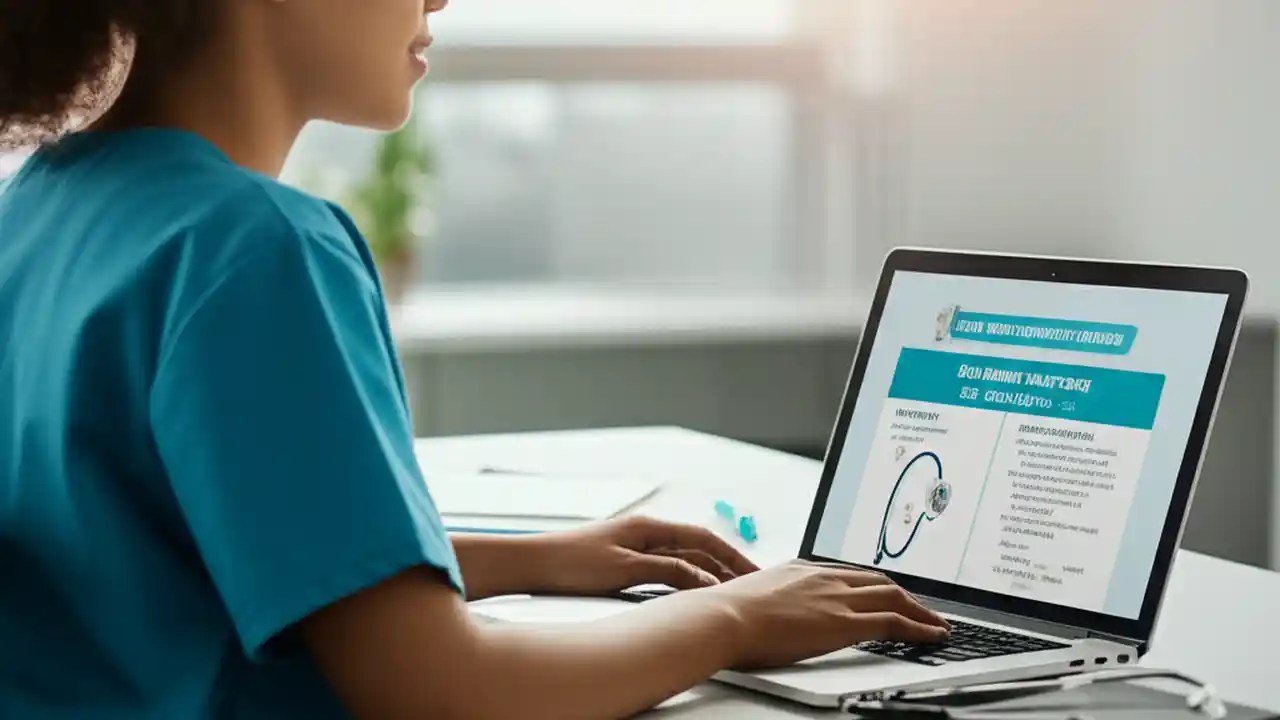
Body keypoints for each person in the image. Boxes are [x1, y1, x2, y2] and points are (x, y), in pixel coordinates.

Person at [0, 1, 950, 718]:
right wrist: (739, 619)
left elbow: (165, 558)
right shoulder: (257, 247)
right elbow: (438, 687)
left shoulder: (41, 207)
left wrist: (535, 560)